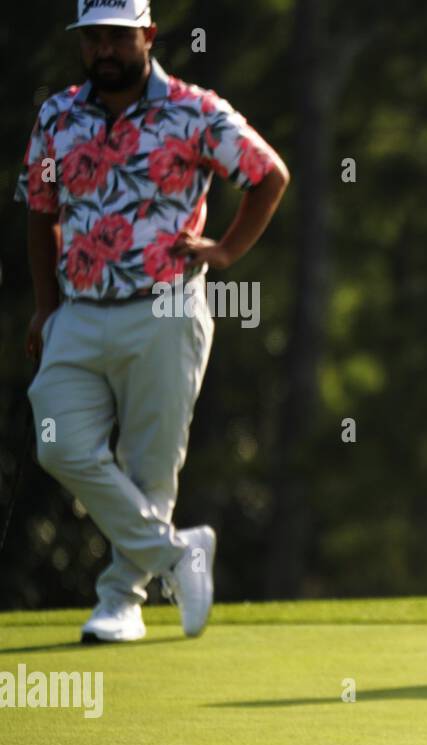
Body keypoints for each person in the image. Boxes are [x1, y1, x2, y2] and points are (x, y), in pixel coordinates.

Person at [16, 0, 290, 641]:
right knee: (57, 443)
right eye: (92, 39)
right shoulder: (57, 116)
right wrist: (45, 307)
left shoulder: (194, 110)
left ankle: (121, 600)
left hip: (166, 308)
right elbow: (40, 209)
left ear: (148, 35)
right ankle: (175, 553)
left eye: (116, 36)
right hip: (78, 312)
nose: (102, 50)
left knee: (149, 465)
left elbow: (267, 175)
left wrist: (225, 251)